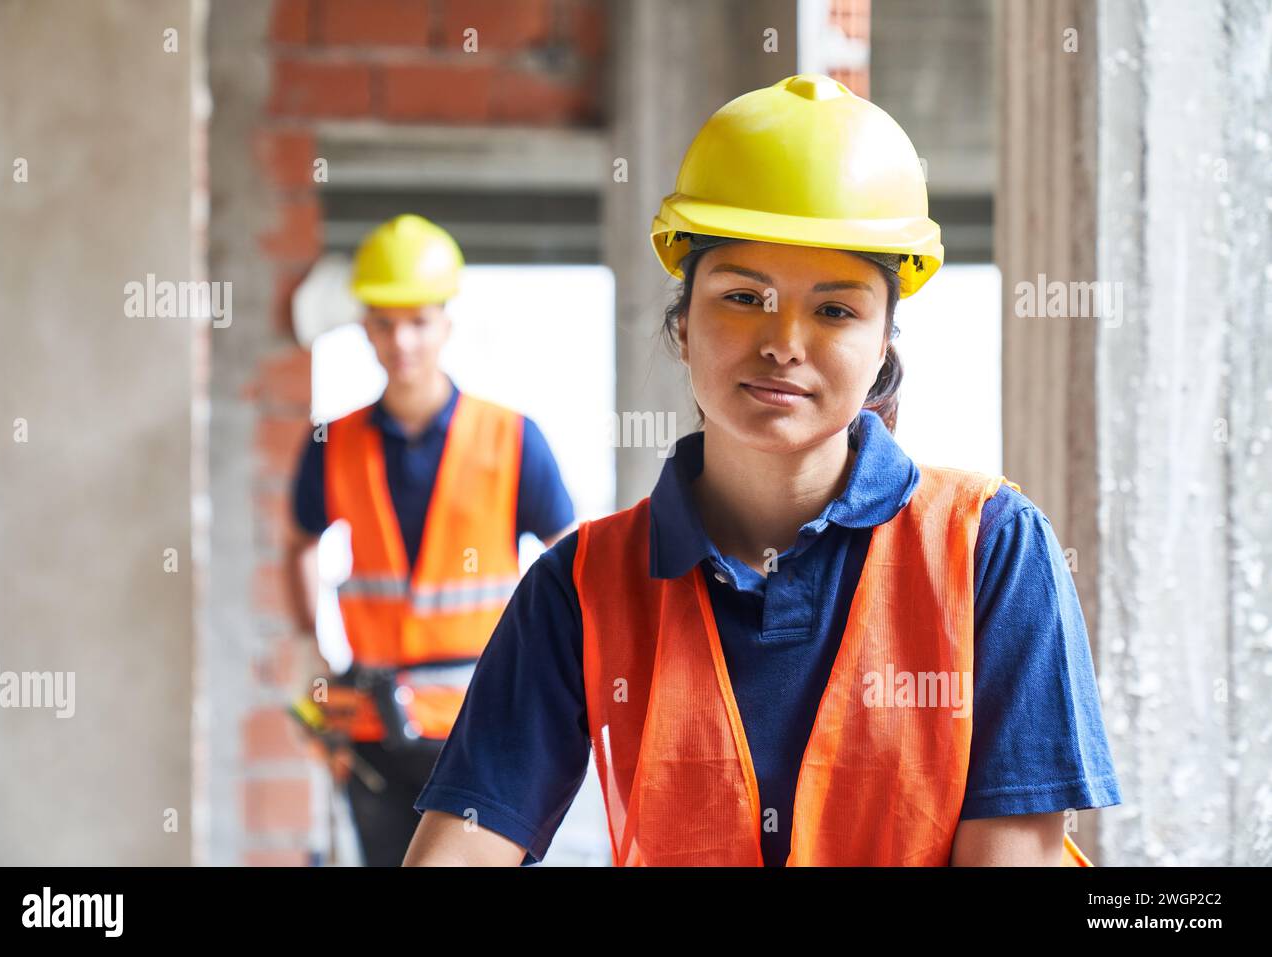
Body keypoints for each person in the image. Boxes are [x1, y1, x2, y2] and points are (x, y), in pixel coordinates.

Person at [402, 75, 1121, 867]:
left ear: (884, 341)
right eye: (744, 296)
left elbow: (1012, 856)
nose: (784, 341)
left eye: (835, 309)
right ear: (682, 325)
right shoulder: (582, 587)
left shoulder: (990, 550)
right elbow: (463, 849)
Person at [285, 214, 576, 867]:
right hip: (376, 730)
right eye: (384, 322)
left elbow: (575, 562)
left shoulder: (512, 439)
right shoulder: (334, 444)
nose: (402, 341)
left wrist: (552, 676)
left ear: (447, 322)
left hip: (484, 727)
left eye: (418, 321)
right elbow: (301, 545)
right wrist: (317, 648)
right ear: (364, 326)